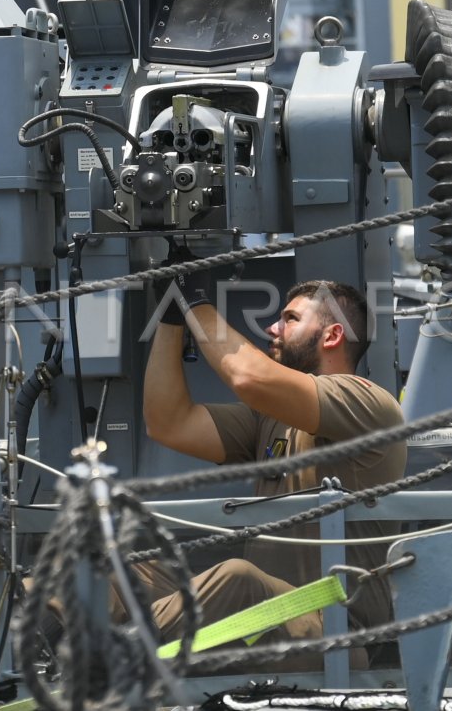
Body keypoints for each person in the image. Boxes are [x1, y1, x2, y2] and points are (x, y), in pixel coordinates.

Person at [118, 262, 406, 669]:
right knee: (130, 572)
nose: (272, 328)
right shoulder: (270, 421)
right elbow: (169, 423)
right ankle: (37, 636)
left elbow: (248, 377)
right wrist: (171, 315)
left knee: (238, 578)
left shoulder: (368, 402)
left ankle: (106, 659)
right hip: (261, 622)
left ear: (333, 334)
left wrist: (194, 300)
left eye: (289, 319)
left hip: (333, 631)